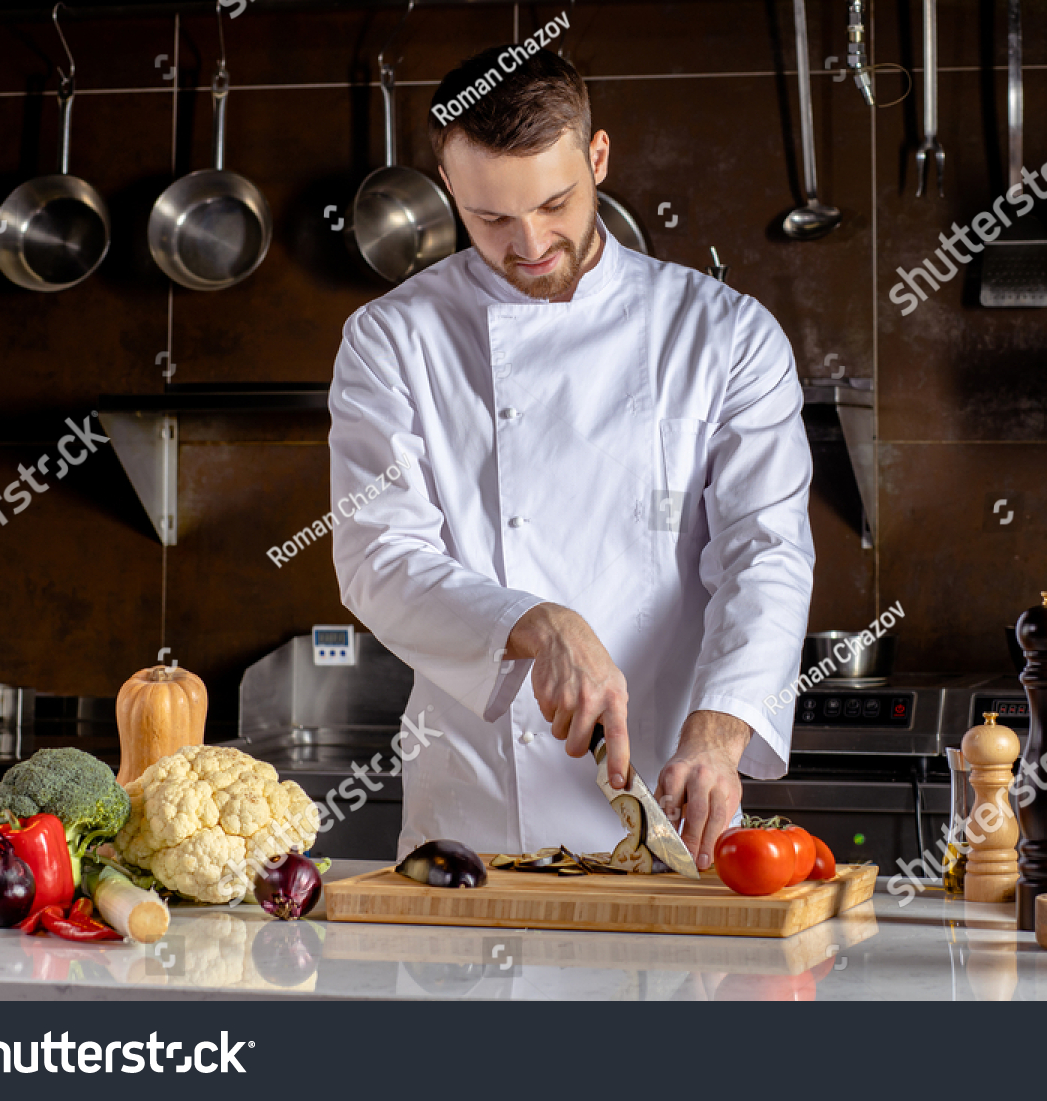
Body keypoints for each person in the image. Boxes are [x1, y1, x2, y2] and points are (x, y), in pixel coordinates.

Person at [328, 46, 814, 871]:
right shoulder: (392, 339)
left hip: (669, 808)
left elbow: (765, 553)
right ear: (451, 188)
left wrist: (721, 727)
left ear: (598, 157)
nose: (530, 245)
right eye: (490, 219)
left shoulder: (723, 334)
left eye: (555, 203)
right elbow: (376, 555)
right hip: (475, 825)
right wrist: (532, 622)